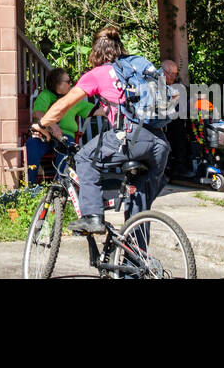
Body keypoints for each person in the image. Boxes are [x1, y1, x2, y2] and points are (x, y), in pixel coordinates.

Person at [33, 27, 170, 235]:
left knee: (85, 158)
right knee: (137, 211)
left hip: (130, 137)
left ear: (95, 52)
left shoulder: (97, 74)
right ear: (119, 46)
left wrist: (42, 123)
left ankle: (92, 217)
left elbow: (63, 105)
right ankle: (135, 264)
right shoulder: (138, 64)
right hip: (159, 143)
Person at [25, 68, 93, 183]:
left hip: (65, 136)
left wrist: (114, 107)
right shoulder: (46, 95)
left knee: (66, 149)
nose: (71, 85)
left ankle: (61, 186)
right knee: (32, 144)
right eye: (68, 82)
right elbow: (38, 113)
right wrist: (52, 125)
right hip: (45, 134)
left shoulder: (72, 98)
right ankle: (30, 185)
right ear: (57, 83)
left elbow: (93, 110)